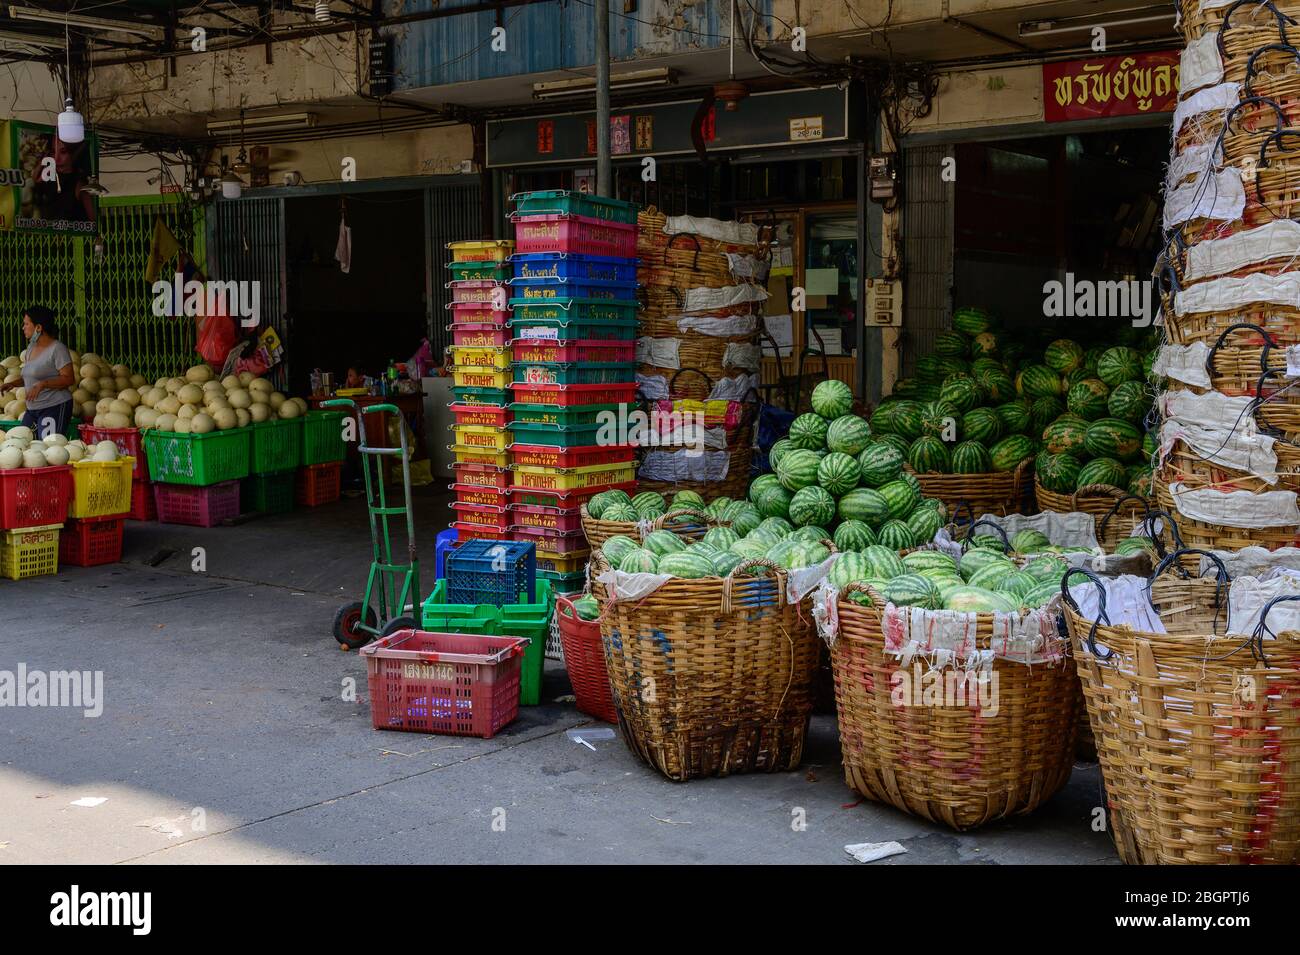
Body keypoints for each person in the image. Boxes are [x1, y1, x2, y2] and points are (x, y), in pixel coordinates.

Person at [1, 307, 76, 437]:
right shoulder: (31, 348)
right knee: (21, 442)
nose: (23, 327)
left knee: (49, 448)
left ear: (39, 328)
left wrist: (43, 384)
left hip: (54, 407)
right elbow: (30, 378)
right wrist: (13, 384)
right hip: (32, 409)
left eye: (26, 324)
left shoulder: (57, 349)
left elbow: (69, 379)